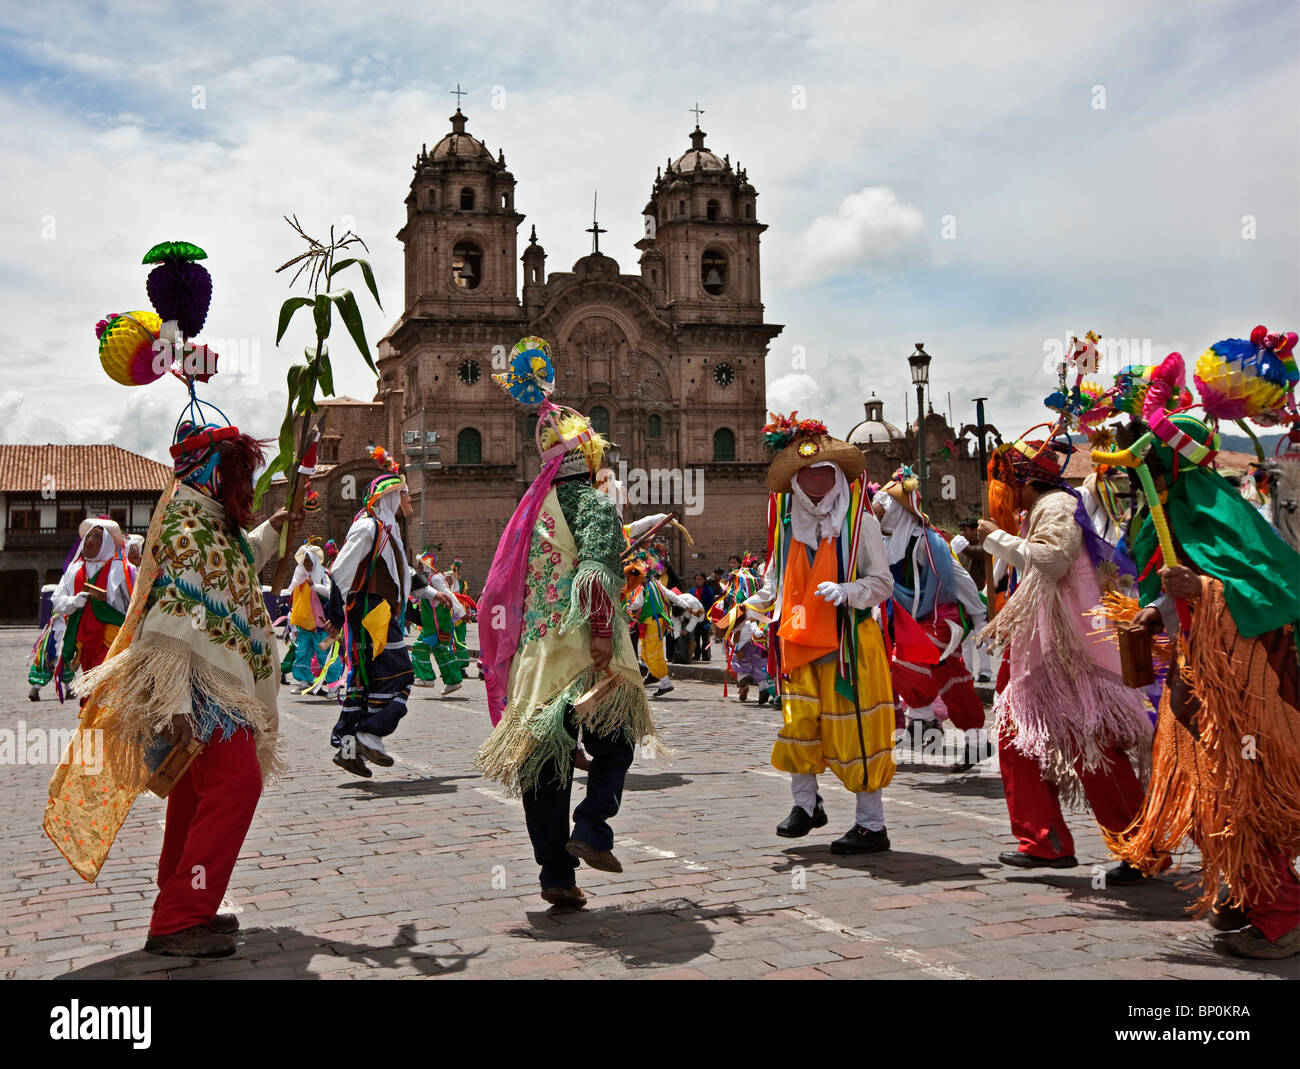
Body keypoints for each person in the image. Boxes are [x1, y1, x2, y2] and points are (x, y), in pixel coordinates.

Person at [47, 417, 298, 958]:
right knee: (236, 785)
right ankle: (180, 917)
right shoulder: (187, 527)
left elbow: (234, 566)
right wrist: (174, 704)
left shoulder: (211, 521)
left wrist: (276, 526)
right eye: (240, 476)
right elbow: (168, 624)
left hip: (215, 684)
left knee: (195, 791)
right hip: (201, 689)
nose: (248, 489)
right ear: (214, 473)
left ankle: (185, 895)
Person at [1104, 410, 1300, 959]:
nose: (1134, 478)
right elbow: (1181, 594)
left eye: (1141, 464)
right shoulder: (1168, 517)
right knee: (1206, 794)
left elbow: (1275, 593)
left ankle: (1281, 917)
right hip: (1199, 679)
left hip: (1246, 687)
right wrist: (1157, 611)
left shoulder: (1220, 513)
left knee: (1241, 795)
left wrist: (1204, 588)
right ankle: (1249, 890)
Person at [477, 393, 660, 909]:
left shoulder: (529, 511)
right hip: (589, 650)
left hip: (538, 655)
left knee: (546, 763)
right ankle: (594, 826)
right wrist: (601, 630)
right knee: (617, 744)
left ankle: (555, 874)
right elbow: (596, 568)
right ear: (591, 456)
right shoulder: (593, 502)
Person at [975, 434, 1151, 871]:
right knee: (1019, 740)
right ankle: (1043, 838)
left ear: (1024, 480)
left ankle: (1141, 846)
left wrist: (996, 539)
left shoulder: (1055, 508)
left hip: (1065, 649)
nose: (1002, 491)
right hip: (1040, 645)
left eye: (1004, 480)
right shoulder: (1042, 509)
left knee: (1090, 746)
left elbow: (1052, 560)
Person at [743, 414, 896, 854]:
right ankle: (806, 806)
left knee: (858, 729)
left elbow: (882, 584)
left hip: (849, 643)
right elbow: (774, 582)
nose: (815, 480)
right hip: (797, 642)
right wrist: (752, 609)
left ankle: (872, 825)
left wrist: (848, 590)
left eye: (824, 472)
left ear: (837, 478)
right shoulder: (787, 525)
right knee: (799, 724)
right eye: (806, 472)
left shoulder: (859, 522)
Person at [874, 474, 988, 772]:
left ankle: (928, 721)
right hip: (907, 622)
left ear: (899, 509)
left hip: (940, 618)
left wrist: (979, 616)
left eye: (884, 507)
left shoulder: (927, 541)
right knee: (945, 675)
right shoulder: (884, 543)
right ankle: (955, 733)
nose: (879, 512)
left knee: (907, 659)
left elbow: (957, 576)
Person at [328, 463, 417, 777]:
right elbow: (340, 572)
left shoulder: (386, 528)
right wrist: (334, 615)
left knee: (366, 681)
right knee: (401, 675)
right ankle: (368, 734)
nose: (410, 501)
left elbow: (402, 576)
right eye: (406, 495)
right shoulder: (370, 527)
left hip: (377, 612)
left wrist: (433, 596)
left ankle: (349, 748)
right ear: (392, 496)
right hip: (370, 613)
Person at [51, 518, 136, 697]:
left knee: (110, 687)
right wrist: (73, 601)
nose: (89, 541)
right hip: (85, 642)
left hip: (114, 638)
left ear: (106, 542)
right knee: (92, 689)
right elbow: (57, 599)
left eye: (96, 537)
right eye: (88, 536)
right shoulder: (74, 570)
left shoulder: (123, 570)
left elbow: (136, 602)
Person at [288, 540, 343, 693]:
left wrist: (314, 586)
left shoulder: (323, 574)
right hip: (304, 626)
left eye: (309, 561)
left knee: (324, 654)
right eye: (304, 561)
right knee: (302, 653)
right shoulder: (299, 575)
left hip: (323, 625)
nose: (307, 564)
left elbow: (330, 592)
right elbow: (294, 598)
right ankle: (304, 680)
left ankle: (333, 685)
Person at [950, 517, 992, 682]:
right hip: (962, 595)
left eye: (966, 529)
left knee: (981, 634)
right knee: (966, 637)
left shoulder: (982, 545)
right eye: (961, 530)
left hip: (979, 594)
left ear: (975, 531)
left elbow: (979, 553)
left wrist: (963, 547)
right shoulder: (961, 547)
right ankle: (968, 670)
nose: (963, 533)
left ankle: (986, 671)